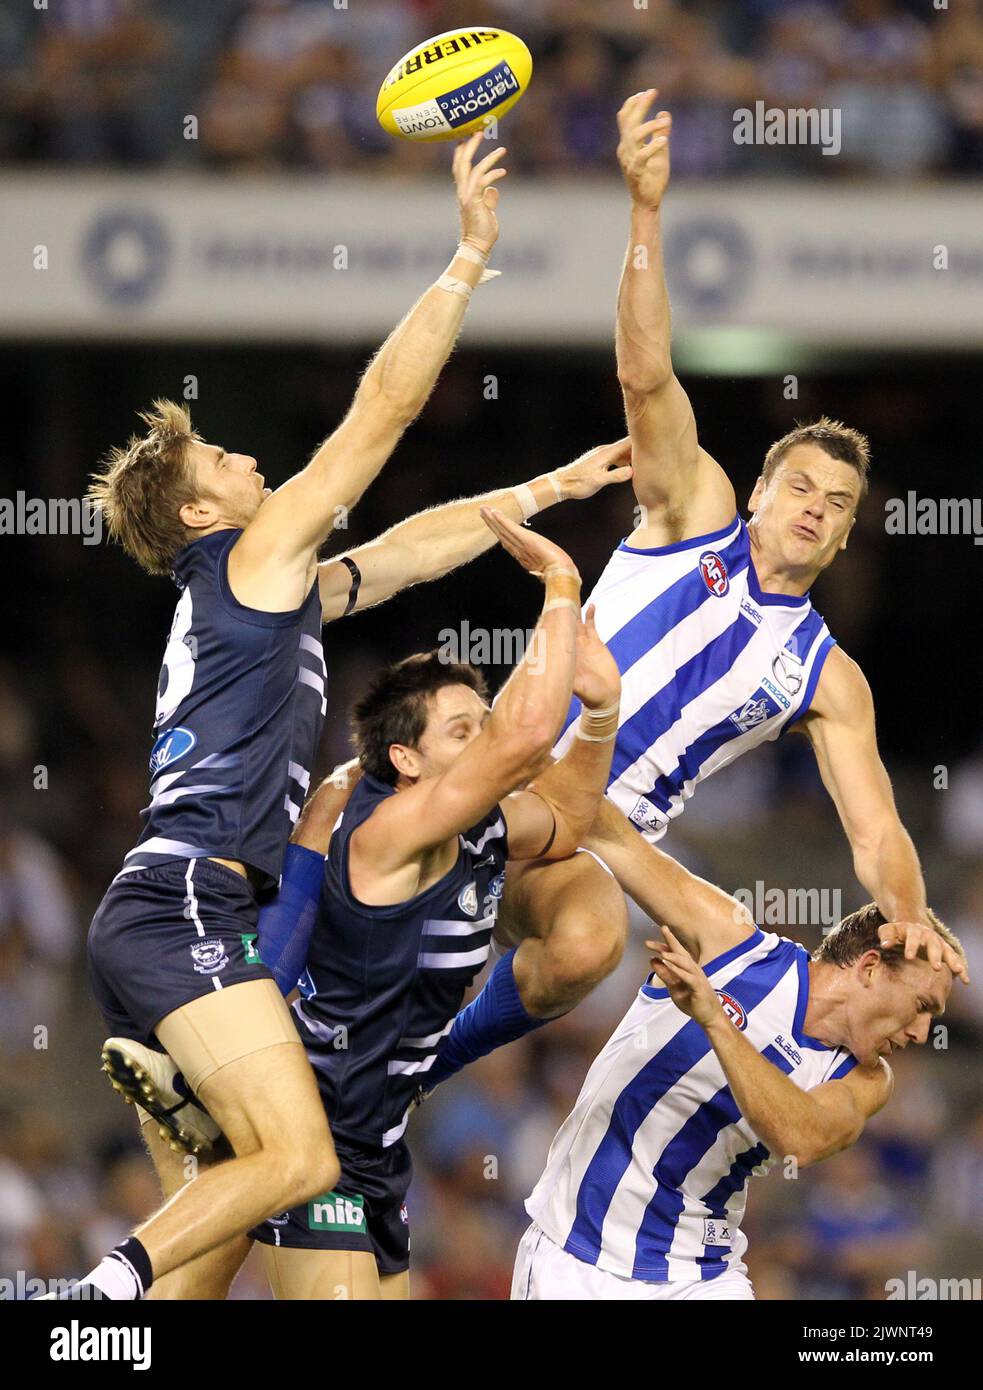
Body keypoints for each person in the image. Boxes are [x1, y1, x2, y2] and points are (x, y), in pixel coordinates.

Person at [419, 89, 969, 1095]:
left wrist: (902, 907)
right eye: (797, 484)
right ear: (758, 492)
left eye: (834, 501)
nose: (811, 505)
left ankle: (406, 1073)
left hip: (592, 830)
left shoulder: (826, 675)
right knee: (383, 884)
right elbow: (644, 376)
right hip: (504, 759)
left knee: (585, 950)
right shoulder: (694, 515)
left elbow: (875, 829)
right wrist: (642, 211)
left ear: (845, 535)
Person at [46, 132, 514, 1302]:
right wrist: (464, 261)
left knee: (229, 1231)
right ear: (200, 508)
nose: (246, 453)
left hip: (185, 902)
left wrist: (540, 495)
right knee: (297, 1158)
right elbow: (381, 415)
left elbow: (402, 556)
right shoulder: (250, 556)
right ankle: (87, 1297)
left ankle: (119, 1317)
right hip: (189, 896)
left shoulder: (264, 589)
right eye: (220, 452)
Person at [257, 510, 622, 1298]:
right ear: (405, 760)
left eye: (482, 723)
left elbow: (567, 813)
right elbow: (524, 743)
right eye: (462, 731)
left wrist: (599, 714)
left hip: (377, 1150)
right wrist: (560, 590)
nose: (485, 741)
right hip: (304, 1132)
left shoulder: (481, 826)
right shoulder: (385, 830)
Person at [511, 839, 965, 1300]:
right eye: (922, 1006)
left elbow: (803, 1138)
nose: (922, 1033)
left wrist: (716, 1020)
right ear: (870, 967)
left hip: (699, 1277)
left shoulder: (867, 1078)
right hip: (575, 1257)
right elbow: (616, 841)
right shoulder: (731, 943)